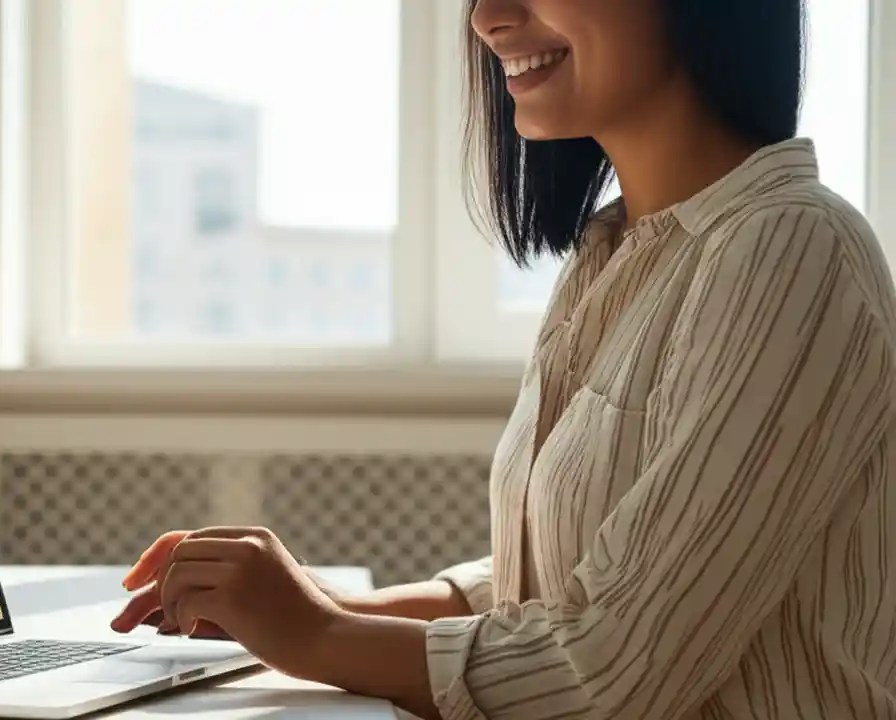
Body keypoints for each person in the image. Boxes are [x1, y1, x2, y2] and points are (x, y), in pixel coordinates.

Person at [111, 0, 896, 716]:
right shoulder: (613, 255)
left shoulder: (792, 249)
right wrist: (298, 607)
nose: (488, 18)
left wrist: (314, 632)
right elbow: (570, 574)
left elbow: (613, 664)